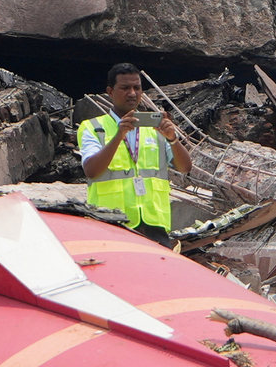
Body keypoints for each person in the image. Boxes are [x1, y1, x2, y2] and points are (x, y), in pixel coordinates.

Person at [78, 63, 192, 246]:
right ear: (110, 91)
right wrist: (118, 136)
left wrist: (172, 139)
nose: (132, 93)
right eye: (125, 88)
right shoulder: (93, 128)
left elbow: (185, 167)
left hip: (154, 225)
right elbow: (91, 170)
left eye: (137, 88)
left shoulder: (155, 128)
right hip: (110, 222)